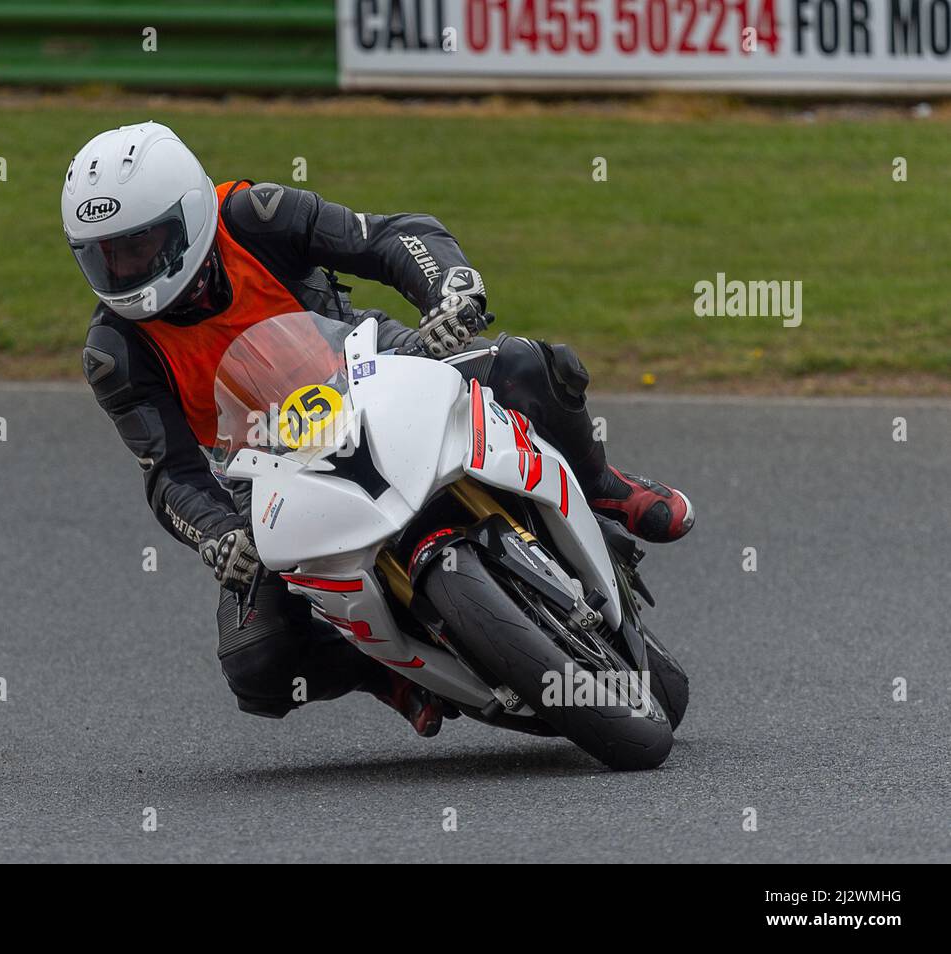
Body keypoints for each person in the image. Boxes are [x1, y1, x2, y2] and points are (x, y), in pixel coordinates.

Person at [65, 122, 693, 737]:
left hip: (373, 364)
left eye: (140, 246)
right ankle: (384, 673)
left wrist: (449, 292)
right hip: (260, 465)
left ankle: (603, 484)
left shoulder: (254, 216)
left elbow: (391, 236)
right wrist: (217, 535)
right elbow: (168, 471)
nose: (125, 271)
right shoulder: (114, 351)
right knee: (253, 661)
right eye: (105, 256)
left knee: (534, 366)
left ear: (191, 213)